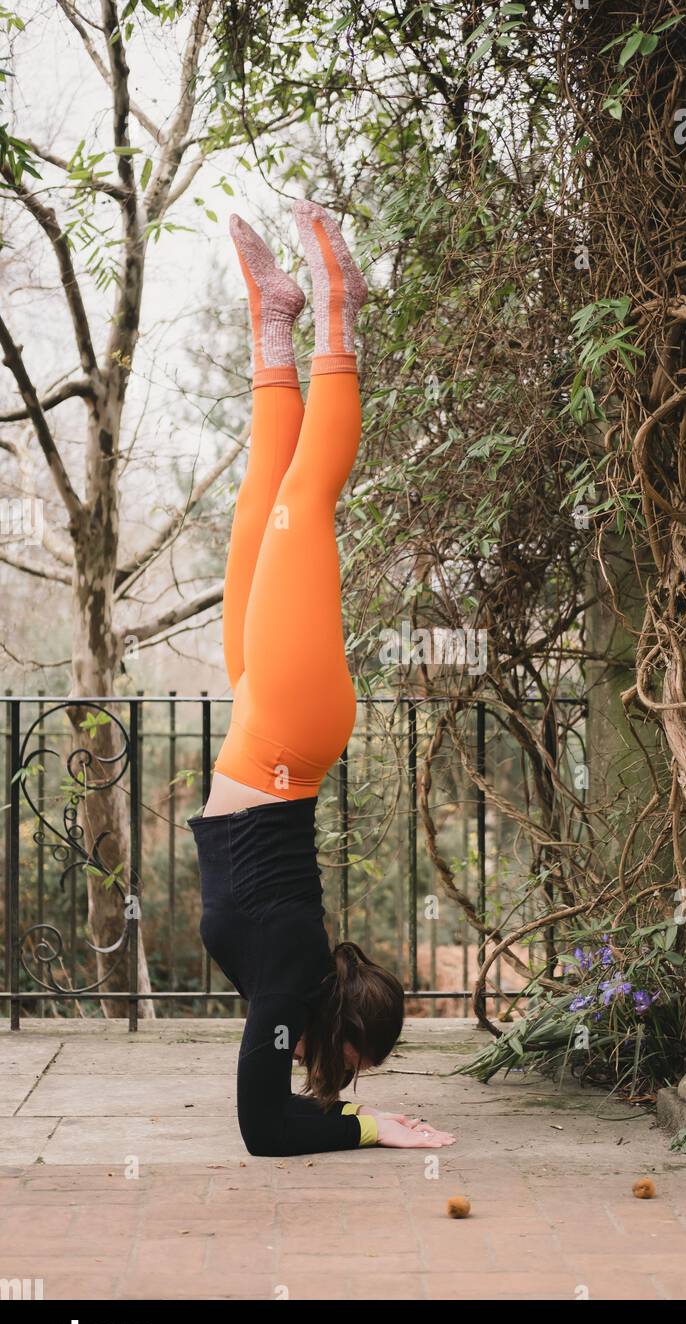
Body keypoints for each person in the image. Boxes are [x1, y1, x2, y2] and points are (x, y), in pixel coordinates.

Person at [188, 201, 455, 1157]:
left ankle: (275, 316)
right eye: (355, 1064)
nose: (340, 1073)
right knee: (307, 497)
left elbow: (270, 1119)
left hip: (257, 724)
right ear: (344, 1036)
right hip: (288, 732)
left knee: (261, 499)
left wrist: (353, 1116)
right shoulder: (293, 972)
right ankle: (339, 305)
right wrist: (371, 1127)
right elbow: (268, 1131)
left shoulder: (288, 987)